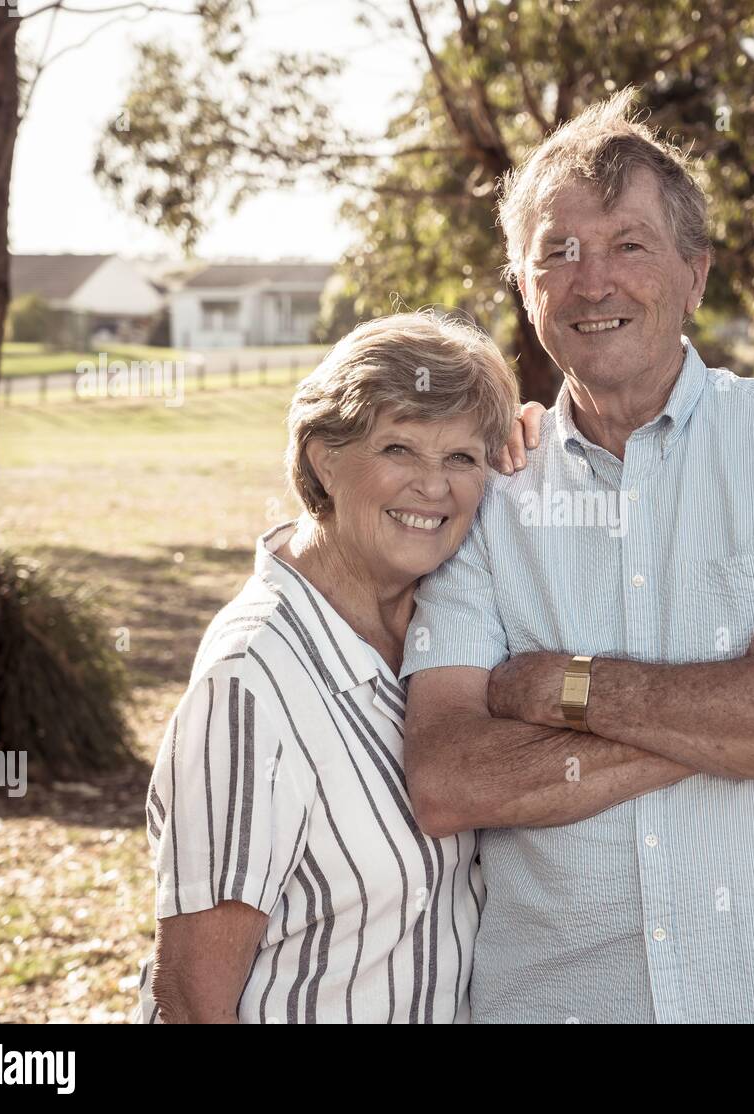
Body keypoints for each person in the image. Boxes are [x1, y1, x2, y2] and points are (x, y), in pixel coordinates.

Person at [401, 90, 754, 1023]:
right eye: (556, 253)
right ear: (526, 291)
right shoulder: (486, 488)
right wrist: (746, 702)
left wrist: (562, 688)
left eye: (628, 245)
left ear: (696, 274)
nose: (591, 280)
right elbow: (447, 777)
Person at [135, 311, 541, 1023]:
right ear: (326, 460)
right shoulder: (251, 682)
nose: (433, 487)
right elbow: (191, 1001)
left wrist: (546, 452)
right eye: (400, 448)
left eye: (461, 459)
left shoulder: (448, 630)